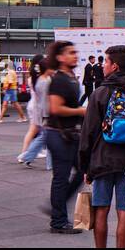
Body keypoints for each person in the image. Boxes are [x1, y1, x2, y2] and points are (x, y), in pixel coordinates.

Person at [80, 44, 125, 250]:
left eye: (107, 62)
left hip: (102, 159)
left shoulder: (100, 93)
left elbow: (88, 132)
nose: (103, 66)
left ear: (114, 66)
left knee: (101, 209)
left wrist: (85, 166)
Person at [43, 40, 86, 234]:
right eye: (70, 52)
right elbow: (55, 108)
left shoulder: (71, 77)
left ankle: (57, 206)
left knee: (83, 170)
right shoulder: (60, 79)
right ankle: (58, 221)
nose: (75, 55)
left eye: (75, 52)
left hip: (69, 133)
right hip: (58, 134)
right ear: (60, 57)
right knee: (61, 177)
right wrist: (80, 111)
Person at [18, 57, 52, 171]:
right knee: (45, 135)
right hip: (43, 111)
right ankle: (48, 163)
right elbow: (45, 99)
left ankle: (27, 156)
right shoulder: (44, 81)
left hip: (39, 109)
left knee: (43, 136)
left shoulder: (38, 79)